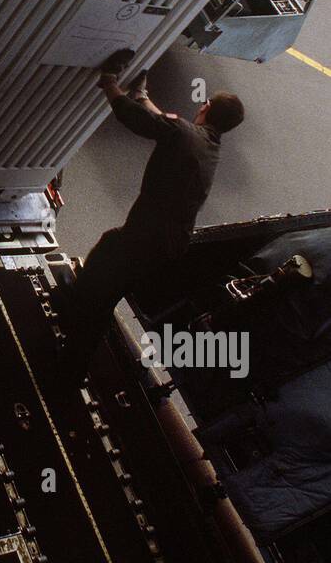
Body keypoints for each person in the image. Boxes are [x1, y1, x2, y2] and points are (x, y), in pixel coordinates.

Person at [57, 52, 245, 363]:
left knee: (103, 275)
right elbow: (167, 124)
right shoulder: (208, 145)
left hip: (148, 237)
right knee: (110, 270)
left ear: (205, 107)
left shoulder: (185, 134)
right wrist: (142, 94)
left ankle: (73, 347)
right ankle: (78, 325)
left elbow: (134, 118)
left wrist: (109, 83)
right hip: (169, 245)